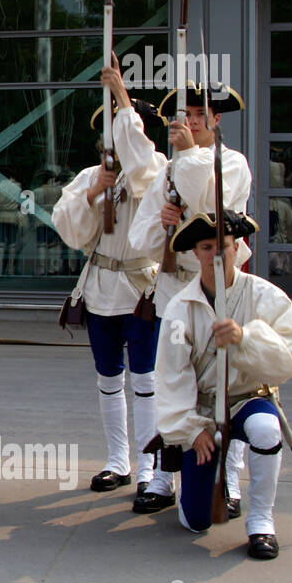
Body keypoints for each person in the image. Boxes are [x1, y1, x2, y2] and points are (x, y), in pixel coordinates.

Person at [130, 81, 251, 514]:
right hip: (173, 287)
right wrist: (163, 224)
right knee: (172, 376)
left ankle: (230, 481)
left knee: (226, 381)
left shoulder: (232, 163)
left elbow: (211, 208)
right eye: (187, 115)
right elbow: (138, 236)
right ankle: (162, 476)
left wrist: (186, 157)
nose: (192, 122)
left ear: (216, 120)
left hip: (218, 284)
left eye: (201, 115)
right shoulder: (169, 170)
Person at [154, 211, 292, 560]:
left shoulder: (265, 295)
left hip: (247, 399)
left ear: (238, 248)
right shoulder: (180, 307)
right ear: (196, 254)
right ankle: (201, 485)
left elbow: (288, 361)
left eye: (223, 246)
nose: (216, 255)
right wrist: (191, 430)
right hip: (203, 410)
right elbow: (170, 377)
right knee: (196, 521)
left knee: (267, 430)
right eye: (207, 247)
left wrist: (245, 338)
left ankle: (262, 524)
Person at [52, 62, 168, 498]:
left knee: (145, 381)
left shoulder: (154, 171)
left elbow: (143, 178)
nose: (114, 144)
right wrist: (91, 193)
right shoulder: (91, 175)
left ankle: (149, 467)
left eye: (121, 133)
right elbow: (71, 229)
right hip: (101, 288)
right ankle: (119, 460)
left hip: (141, 290)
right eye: (109, 136)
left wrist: (121, 96)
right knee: (107, 377)